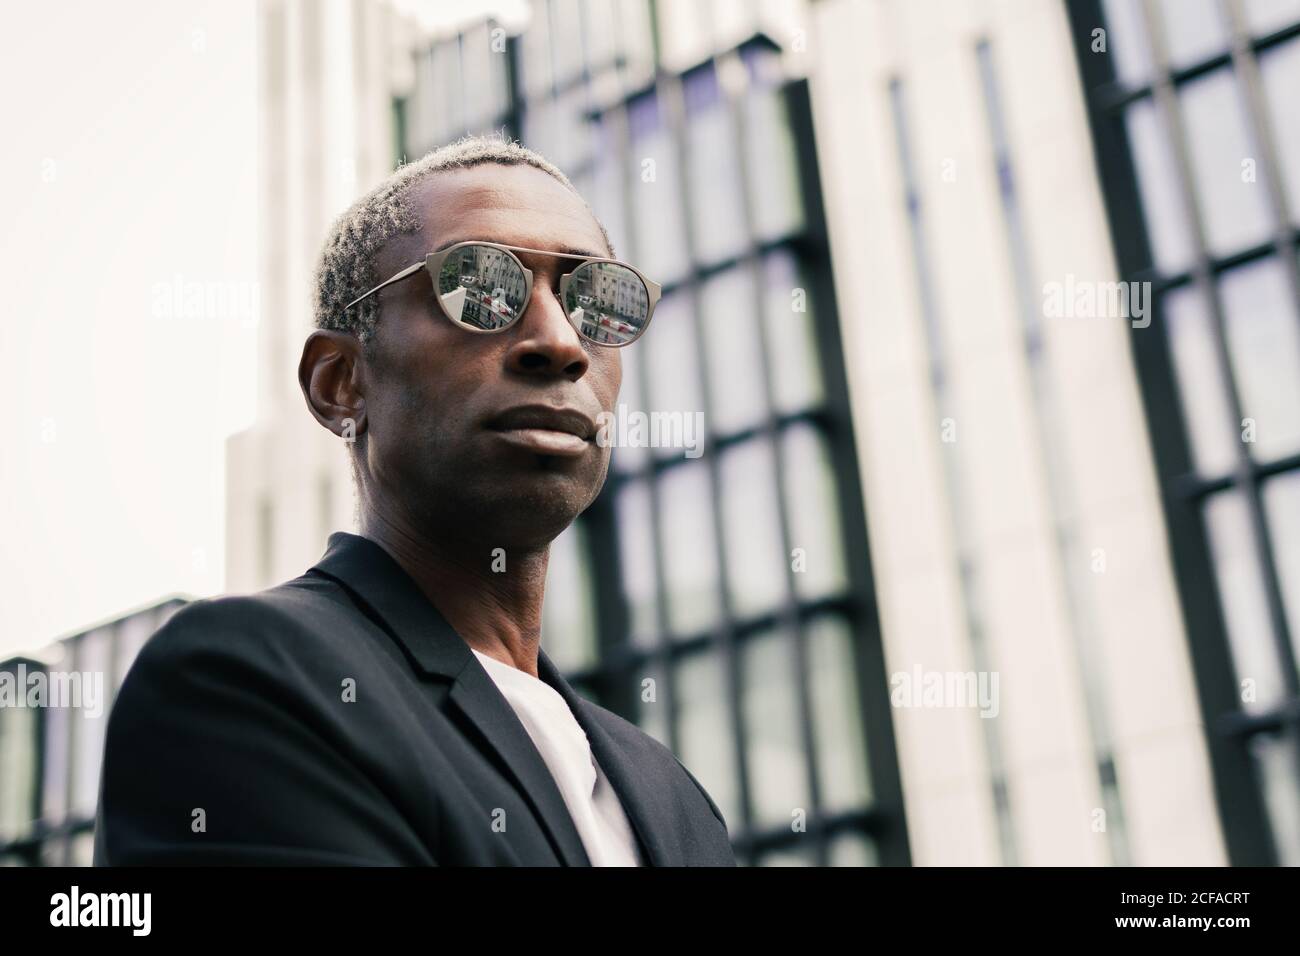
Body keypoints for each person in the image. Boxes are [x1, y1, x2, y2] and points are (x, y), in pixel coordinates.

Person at [93, 134, 736, 866]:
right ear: (341, 381)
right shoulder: (246, 680)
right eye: (480, 286)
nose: (560, 342)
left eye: (594, 300)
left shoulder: (676, 799)